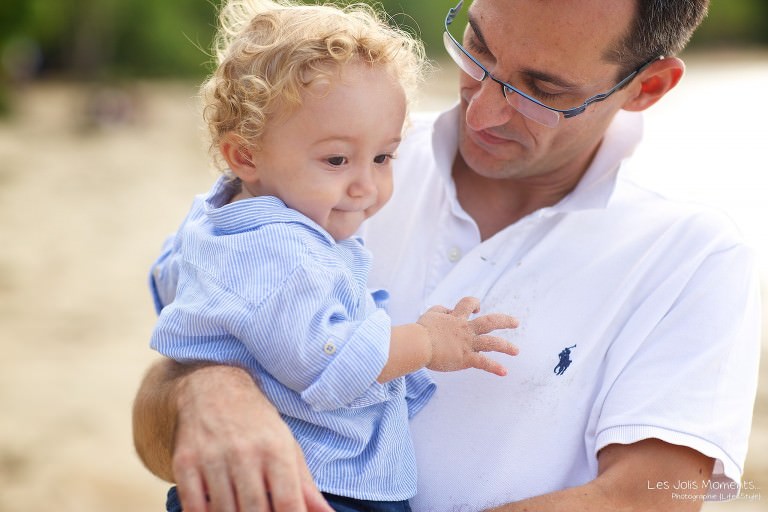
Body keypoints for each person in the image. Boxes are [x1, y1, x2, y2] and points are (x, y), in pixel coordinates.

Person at [133, 0, 762, 511]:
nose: (481, 110)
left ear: (647, 86)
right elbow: (157, 411)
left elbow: (650, 499)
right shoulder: (330, 152)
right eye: (477, 48)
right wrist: (209, 392)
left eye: (542, 89)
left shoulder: (695, 258)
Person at [144, 1, 520, 511]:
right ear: (245, 155)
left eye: (383, 157)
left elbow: (167, 285)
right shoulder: (285, 250)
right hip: (316, 485)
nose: (366, 185)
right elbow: (330, 362)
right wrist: (427, 341)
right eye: (337, 159)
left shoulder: (212, 220)